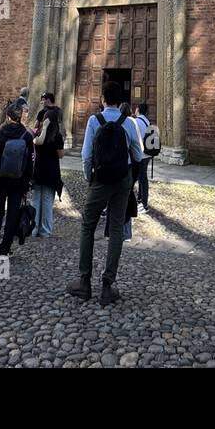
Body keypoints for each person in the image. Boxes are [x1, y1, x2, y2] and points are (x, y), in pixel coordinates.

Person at [66, 81, 143, 305]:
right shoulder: (128, 122)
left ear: (102, 99)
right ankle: (108, 285)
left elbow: (86, 155)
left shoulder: (93, 120)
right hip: (122, 179)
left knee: (88, 226)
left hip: (100, 179)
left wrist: (90, 178)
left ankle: (84, 281)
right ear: (120, 102)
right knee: (116, 228)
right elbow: (138, 155)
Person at [0, 99, 34, 260]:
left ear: (8, 117)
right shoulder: (26, 135)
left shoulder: (1, 134)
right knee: (12, 213)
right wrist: (27, 182)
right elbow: (30, 161)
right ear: (20, 117)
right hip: (18, 181)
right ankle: (5, 249)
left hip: (1, 180)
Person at [29, 93, 64, 237]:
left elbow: (35, 142)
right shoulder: (57, 136)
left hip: (38, 169)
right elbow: (61, 154)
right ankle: (45, 230)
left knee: (36, 199)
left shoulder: (37, 134)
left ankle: (33, 228)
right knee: (48, 200)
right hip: (51, 170)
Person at [134, 102, 153, 213]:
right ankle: (140, 200)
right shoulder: (148, 121)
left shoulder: (136, 122)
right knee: (142, 177)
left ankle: (143, 204)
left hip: (140, 154)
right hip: (148, 154)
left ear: (138, 109)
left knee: (142, 179)